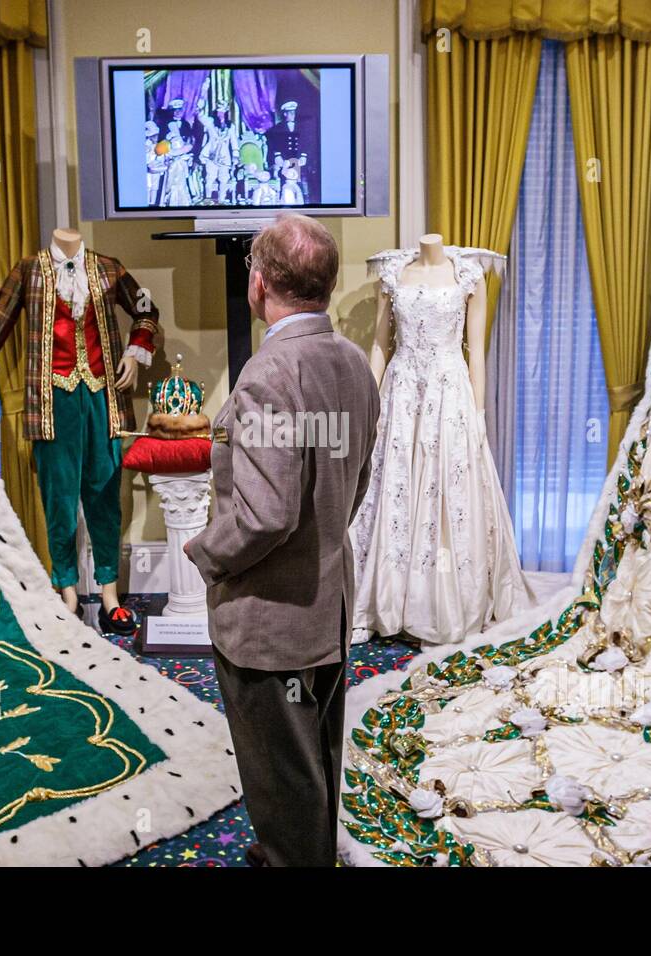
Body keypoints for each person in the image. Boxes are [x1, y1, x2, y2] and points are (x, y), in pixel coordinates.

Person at [185, 215, 379, 867]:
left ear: (258, 283)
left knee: (282, 783)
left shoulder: (269, 374)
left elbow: (265, 516)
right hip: (328, 606)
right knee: (315, 766)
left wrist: (206, 555)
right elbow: (356, 482)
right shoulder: (353, 361)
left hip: (270, 623)